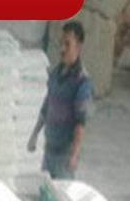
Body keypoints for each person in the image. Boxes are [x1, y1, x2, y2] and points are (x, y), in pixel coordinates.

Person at [28, 20, 93, 179]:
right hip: (50, 150)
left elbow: (80, 122)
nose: (62, 49)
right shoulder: (56, 74)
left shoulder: (81, 82)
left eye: (67, 44)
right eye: (61, 44)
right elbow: (47, 106)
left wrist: (74, 154)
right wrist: (35, 134)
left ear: (78, 47)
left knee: (61, 192)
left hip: (65, 155)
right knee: (45, 190)